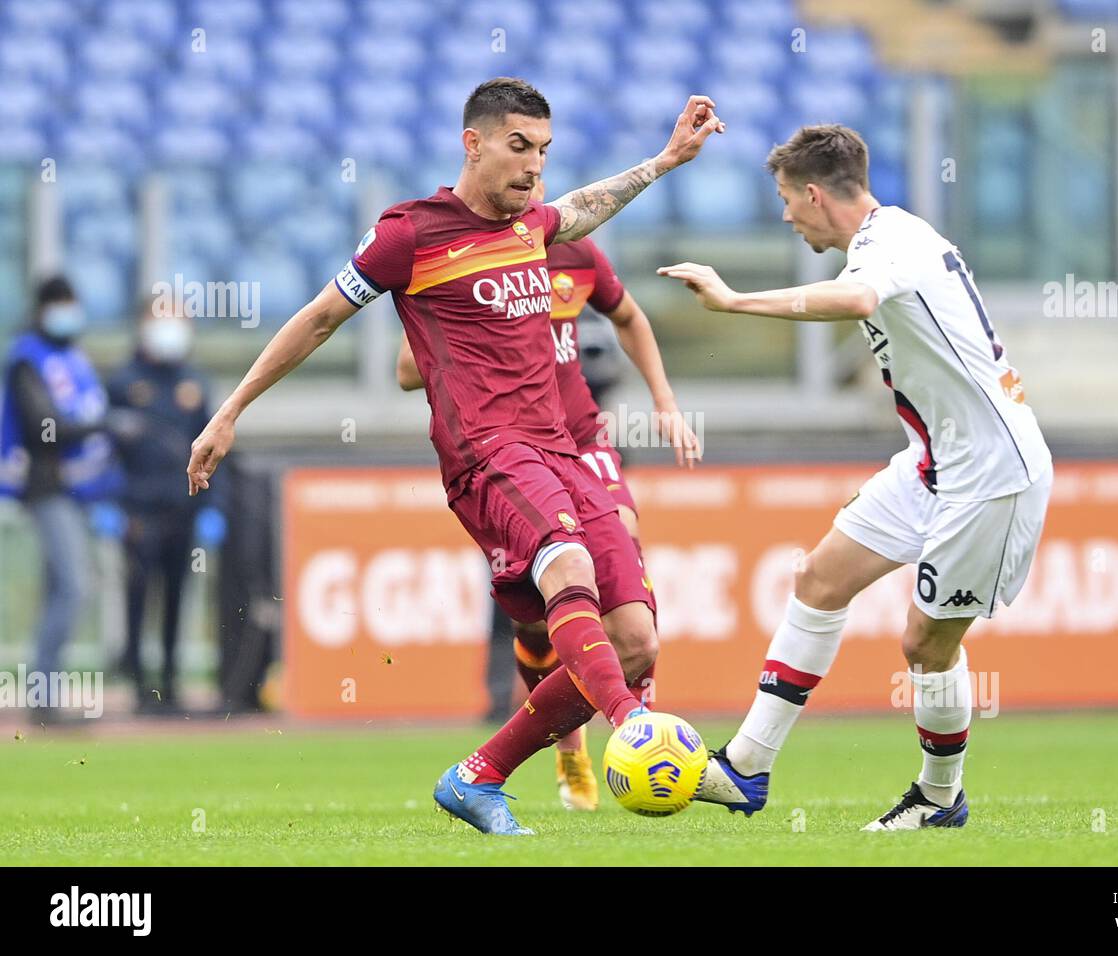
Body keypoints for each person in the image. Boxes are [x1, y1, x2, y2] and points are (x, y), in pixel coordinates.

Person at [187, 77, 723, 834]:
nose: (534, 166)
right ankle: (635, 728)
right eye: (518, 147)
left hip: (561, 450)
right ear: (472, 143)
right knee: (567, 567)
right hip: (488, 454)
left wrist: (666, 161)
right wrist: (232, 408)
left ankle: (479, 775)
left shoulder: (532, 226)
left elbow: (589, 204)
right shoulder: (409, 233)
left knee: (636, 639)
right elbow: (317, 319)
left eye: (543, 150)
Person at [658, 123, 1053, 831]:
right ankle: (746, 767)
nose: (785, 215)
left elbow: (860, 301)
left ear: (814, 193)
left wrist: (736, 300)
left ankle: (939, 798)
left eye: (785, 199)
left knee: (926, 645)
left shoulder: (888, 244)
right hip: (935, 462)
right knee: (818, 579)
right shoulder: (888, 240)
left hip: (992, 471)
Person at [396, 177, 699, 811]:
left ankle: (638, 726)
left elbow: (630, 317)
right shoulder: (471, 257)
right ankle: (570, 749)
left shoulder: (577, 255)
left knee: (625, 585)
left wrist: (665, 403)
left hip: (580, 439)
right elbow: (406, 370)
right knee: (539, 613)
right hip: (509, 447)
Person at [0, 276, 122, 722]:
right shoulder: (26, 361)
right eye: (59, 304)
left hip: (76, 489)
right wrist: (104, 427)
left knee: (59, 590)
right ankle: (43, 699)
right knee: (73, 586)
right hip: (47, 487)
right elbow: (42, 426)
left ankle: (44, 697)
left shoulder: (72, 358)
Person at [107, 298, 227, 713]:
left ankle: (172, 684)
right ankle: (139, 684)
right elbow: (105, 450)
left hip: (184, 507)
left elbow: (214, 447)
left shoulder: (194, 383)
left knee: (178, 594)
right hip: (138, 510)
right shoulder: (123, 382)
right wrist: (109, 503)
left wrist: (214, 506)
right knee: (139, 594)